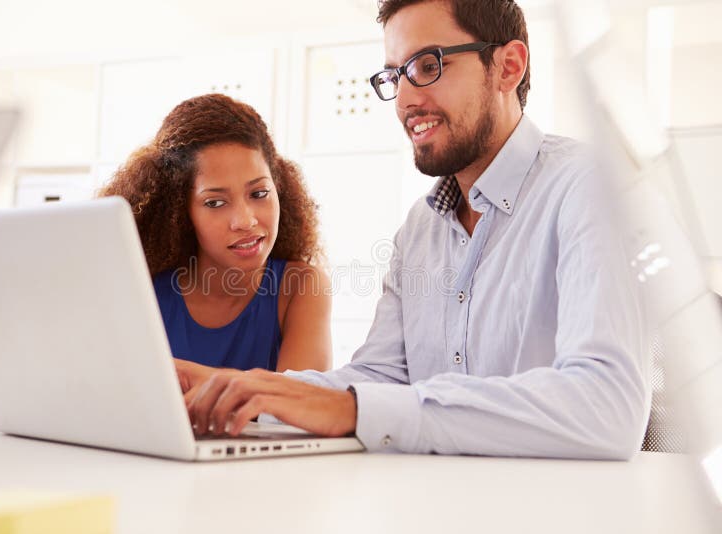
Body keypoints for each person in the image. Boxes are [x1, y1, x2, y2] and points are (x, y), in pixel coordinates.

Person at [177, 0, 651, 459]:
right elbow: (382, 377)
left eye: (428, 65)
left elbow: (607, 405)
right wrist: (243, 390)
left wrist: (356, 410)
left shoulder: (590, 187)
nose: (405, 100)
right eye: (395, 76)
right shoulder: (421, 228)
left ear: (508, 67)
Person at [100, 94, 332, 374]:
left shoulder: (299, 287)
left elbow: (299, 398)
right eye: (215, 203)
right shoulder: (143, 290)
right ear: (180, 211)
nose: (245, 221)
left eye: (259, 194)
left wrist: (175, 375)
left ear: (278, 188)